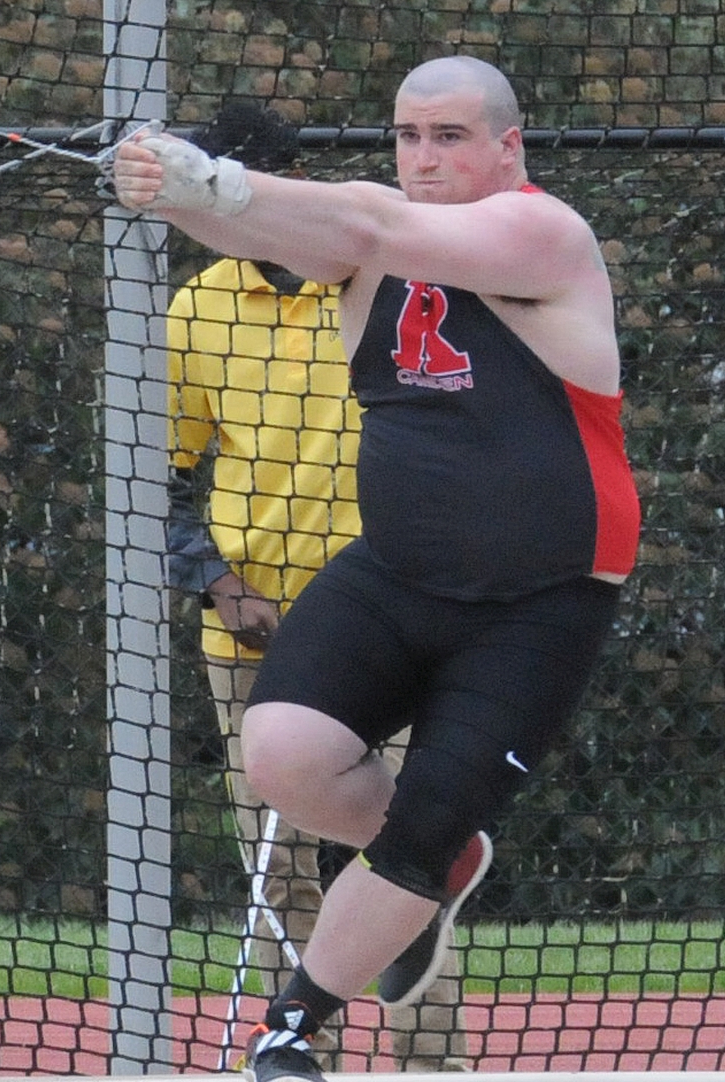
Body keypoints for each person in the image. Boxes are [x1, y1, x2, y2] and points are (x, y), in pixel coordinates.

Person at [115, 56, 641, 1082]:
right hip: (397, 569)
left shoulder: (542, 231)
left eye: (449, 137)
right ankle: (444, 855)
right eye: (407, 136)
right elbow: (271, 234)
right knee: (282, 753)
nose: (424, 157)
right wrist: (179, 191)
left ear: (507, 146)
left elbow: (367, 225)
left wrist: (212, 180)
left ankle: (293, 1025)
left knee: (424, 824)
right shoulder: (370, 242)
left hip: (541, 593)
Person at [165, 102, 477, 1072]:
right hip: (251, 640)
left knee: (413, 849)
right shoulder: (198, 308)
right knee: (283, 864)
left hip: (395, 619)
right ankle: (303, 1057)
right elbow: (160, 474)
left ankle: (431, 1061)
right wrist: (216, 581)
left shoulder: (385, 286)